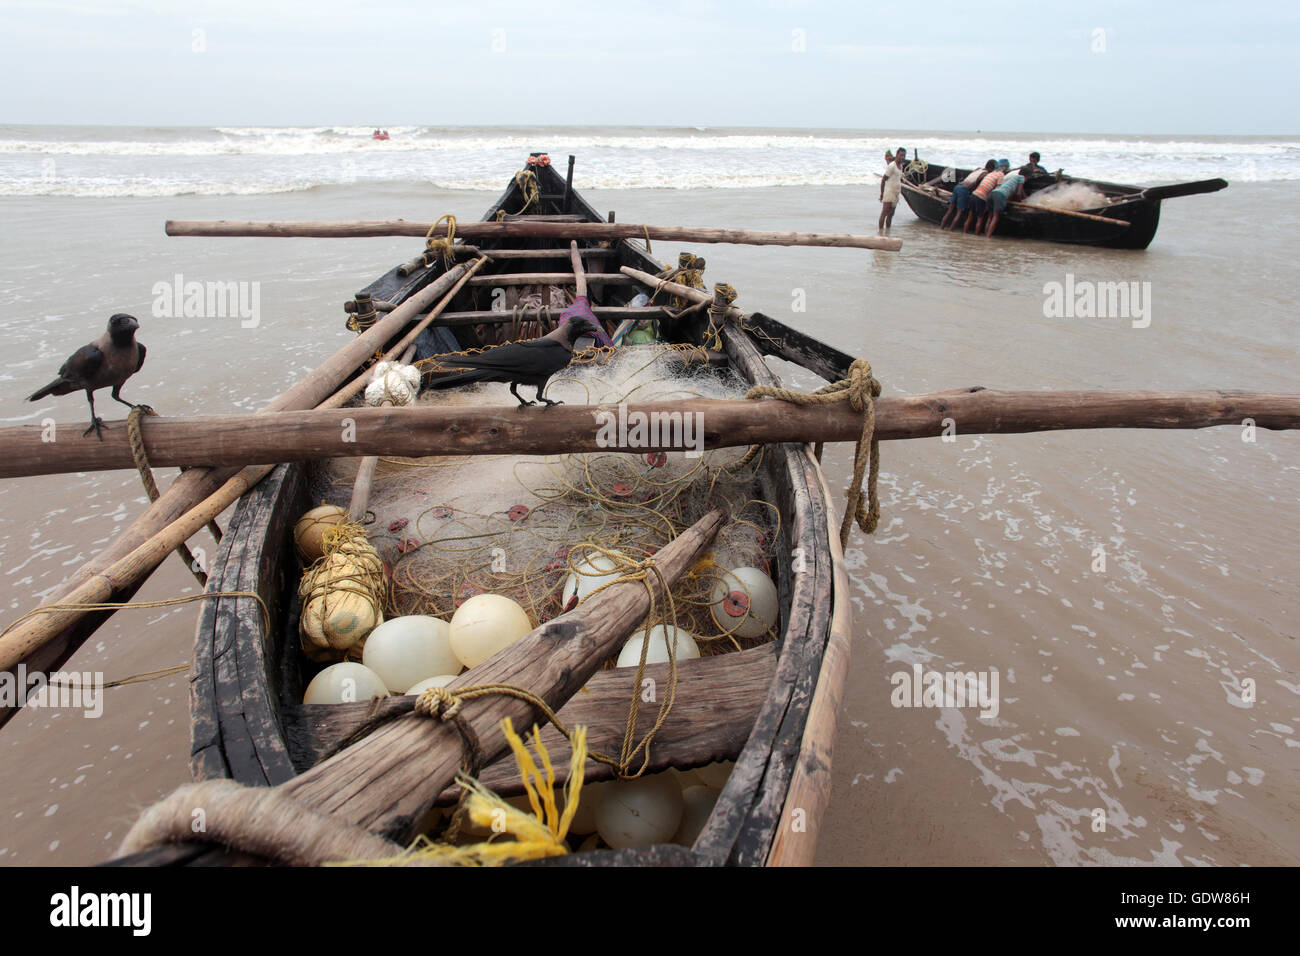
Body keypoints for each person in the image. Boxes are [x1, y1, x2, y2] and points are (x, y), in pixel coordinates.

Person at [941, 160, 996, 230]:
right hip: (964, 190)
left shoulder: (978, 169)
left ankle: (942, 228)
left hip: (958, 186)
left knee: (950, 211)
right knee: (959, 213)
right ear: (991, 169)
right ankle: (951, 230)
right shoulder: (985, 174)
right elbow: (978, 185)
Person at [966, 159, 1007, 235]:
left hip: (974, 194)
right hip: (981, 197)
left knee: (970, 217)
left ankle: (965, 233)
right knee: (980, 219)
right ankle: (976, 236)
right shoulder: (1001, 174)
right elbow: (998, 188)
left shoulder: (991, 173)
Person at [984, 165, 1027, 237]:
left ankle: (986, 235)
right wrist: (1020, 203)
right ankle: (988, 237)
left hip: (993, 193)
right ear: (1027, 176)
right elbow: (1019, 194)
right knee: (995, 217)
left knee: (990, 217)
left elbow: (1019, 192)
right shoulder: (1022, 178)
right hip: (1000, 195)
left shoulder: (1014, 178)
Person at [878, 147, 905, 235]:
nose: (902, 157)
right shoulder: (892, 166)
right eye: (901, 155)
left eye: (904, 156)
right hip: (889, 193)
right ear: (897, 155)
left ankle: (887, 233)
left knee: (891, 215)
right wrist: (882, 194)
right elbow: (883, 180)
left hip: (896, 194)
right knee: (884, 213)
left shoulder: (901, 166)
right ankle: (880, 234)